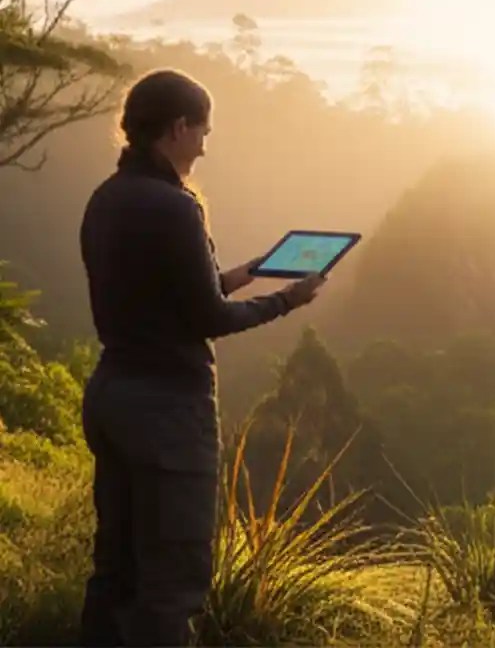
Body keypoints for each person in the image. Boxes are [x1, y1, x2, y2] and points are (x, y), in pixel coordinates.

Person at [77, 68, 324, 645]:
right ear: (179, 127)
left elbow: (168, 295)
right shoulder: (175, 207)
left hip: (113, 395)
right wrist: (288, 298)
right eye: (202, 131)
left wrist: (244, 274)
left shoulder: (106, 198)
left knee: (116, 569)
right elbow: (207, 320)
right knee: (172, 580)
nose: (205, 145)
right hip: (167, 411)